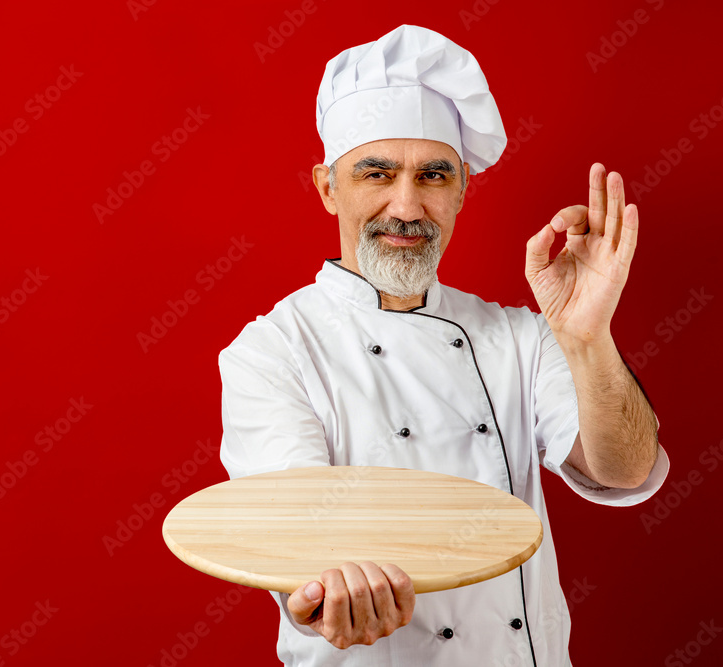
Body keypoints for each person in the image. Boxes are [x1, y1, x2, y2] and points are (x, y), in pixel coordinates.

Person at [218, 24, 670, 666]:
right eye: (377, 173)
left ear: (460, 190)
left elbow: (625, 471)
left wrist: (586, 337)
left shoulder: (519, 336)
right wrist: (327, 594)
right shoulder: (273, 352)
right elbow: (300, 533)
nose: (406, 206)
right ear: (327, 188)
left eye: (433, 176)